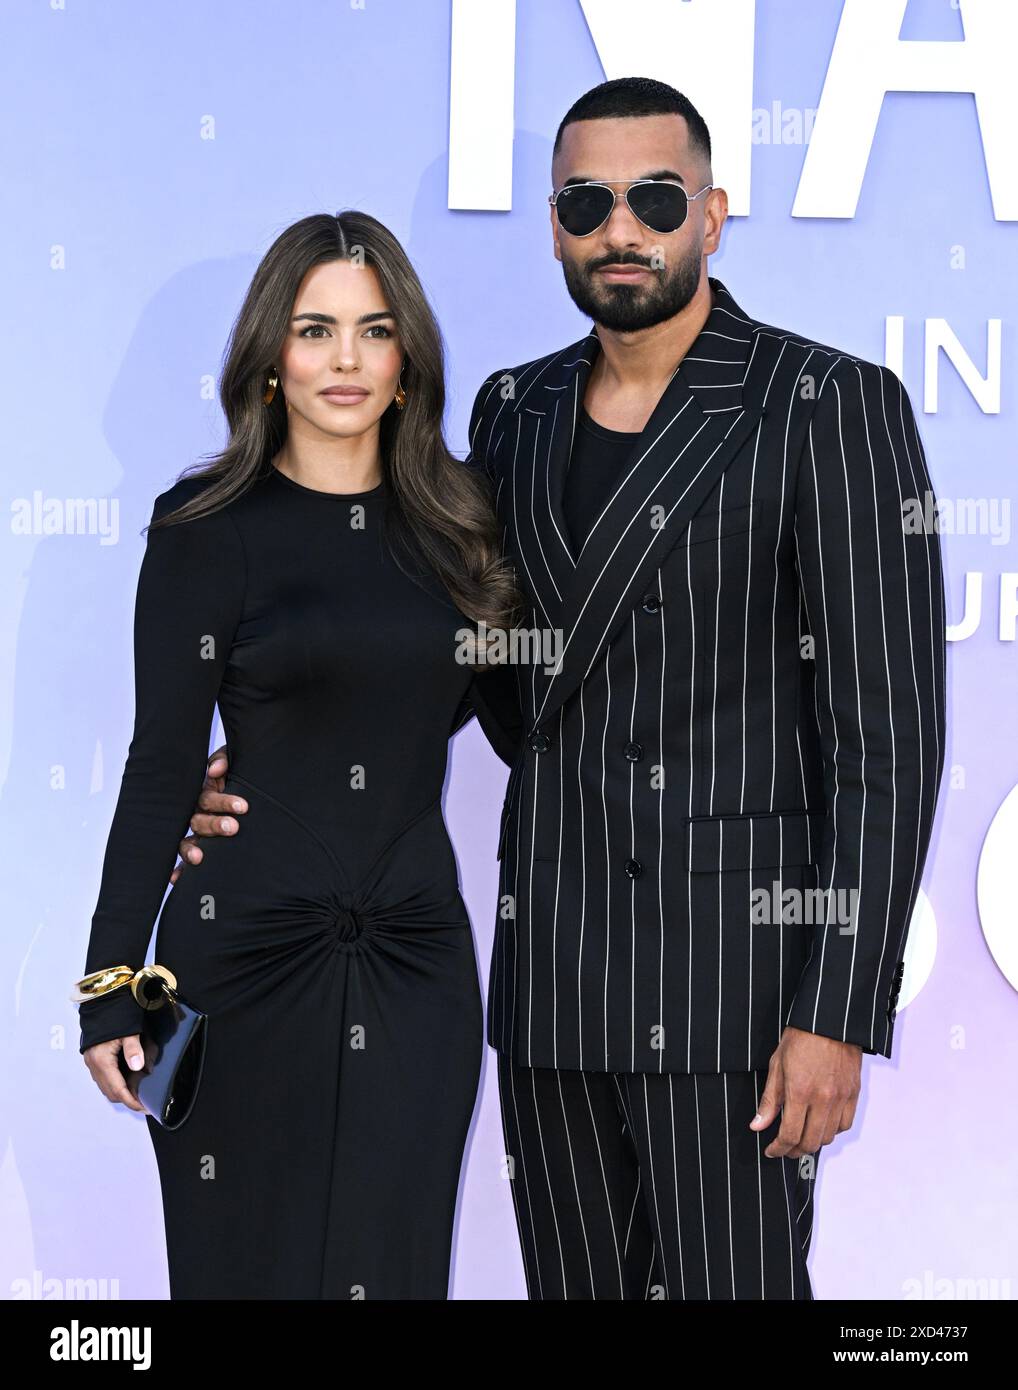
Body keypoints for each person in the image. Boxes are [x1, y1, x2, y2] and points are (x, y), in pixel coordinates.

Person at [145, 79, 948, 1300]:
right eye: (587, 202)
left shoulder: (826, 406)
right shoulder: (511, 413)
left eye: (654, 198)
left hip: (734, 993)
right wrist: (281, 760)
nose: (620, 228)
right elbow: (478, 663)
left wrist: (838, 1006)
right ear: (556, 226)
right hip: (551, 977)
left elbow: (888, 737)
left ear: (713, 216)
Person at [74, 210, 523, 1300]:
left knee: (394, 1268)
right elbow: (161, 760)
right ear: (271, 355)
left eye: (373, 331)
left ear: (407, 355)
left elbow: (499, 715)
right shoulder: (203, 524)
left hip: (416, 961)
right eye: (315, 330)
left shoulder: (463, 525)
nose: (344, 360)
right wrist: (106, 982)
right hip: (236, 963)